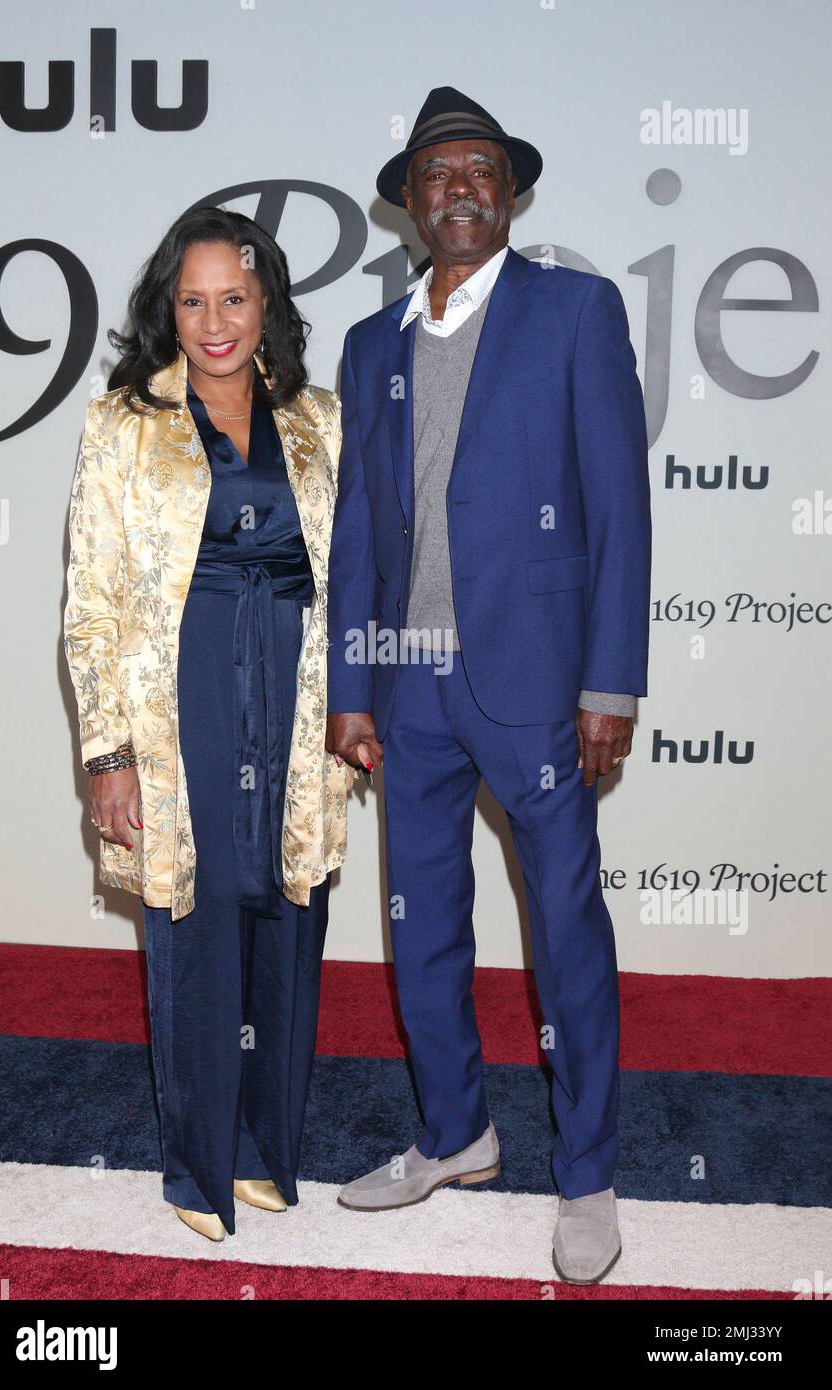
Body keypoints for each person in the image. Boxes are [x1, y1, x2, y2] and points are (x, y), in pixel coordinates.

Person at [326, 87, 651, 1284]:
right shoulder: (372, 346)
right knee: (421, 931)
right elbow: (361, 521)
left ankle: (587, 1172)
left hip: (536, 682)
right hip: (407, 691)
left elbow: (616, 500)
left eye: (478, 171)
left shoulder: (574, 311)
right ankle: (453, 1132)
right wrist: (351, 686)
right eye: (434, 176)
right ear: (409, 205)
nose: (457, 189)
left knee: (563, 932)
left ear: (506, 191)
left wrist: (610, 679)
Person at [63, 205, 354, 1242]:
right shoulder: (123, 422)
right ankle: (196, 1168)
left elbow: (353, 577)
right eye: (193, 300)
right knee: (192, 927)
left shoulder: (319, 419)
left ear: (265, 300)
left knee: (288, 908)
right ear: (167, 309)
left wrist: (357, 704)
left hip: (296, 697)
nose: (214, 320)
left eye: (234, 296)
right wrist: (107, 754)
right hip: (175, 698)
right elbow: (91, 605)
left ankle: (270, 1150)